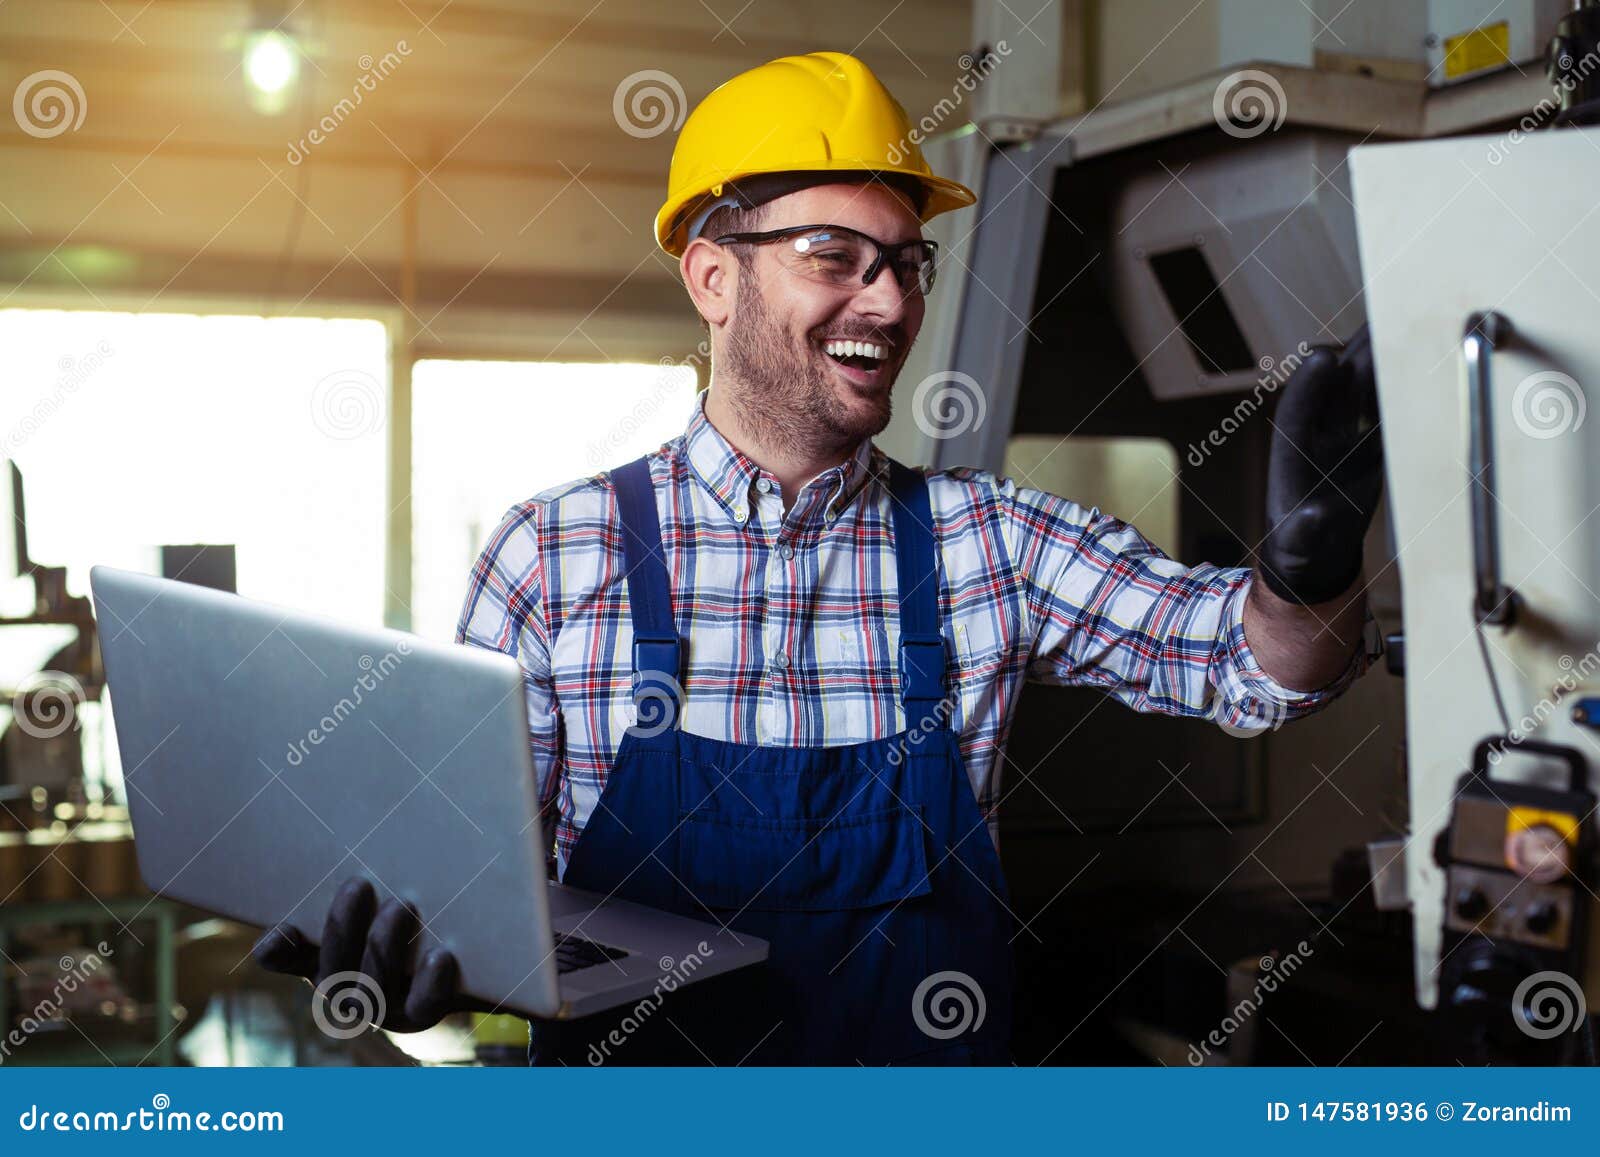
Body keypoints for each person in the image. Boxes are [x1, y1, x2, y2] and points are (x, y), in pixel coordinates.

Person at [256, 50, 1381, 1065]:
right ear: (711, 278)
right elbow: (477, 902)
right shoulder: (553, 555)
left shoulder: (990, 544)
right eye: (833, 256)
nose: (887, 301)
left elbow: (1260, 666)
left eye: (905, 261)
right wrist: (410, 981)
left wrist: (1310, 562)